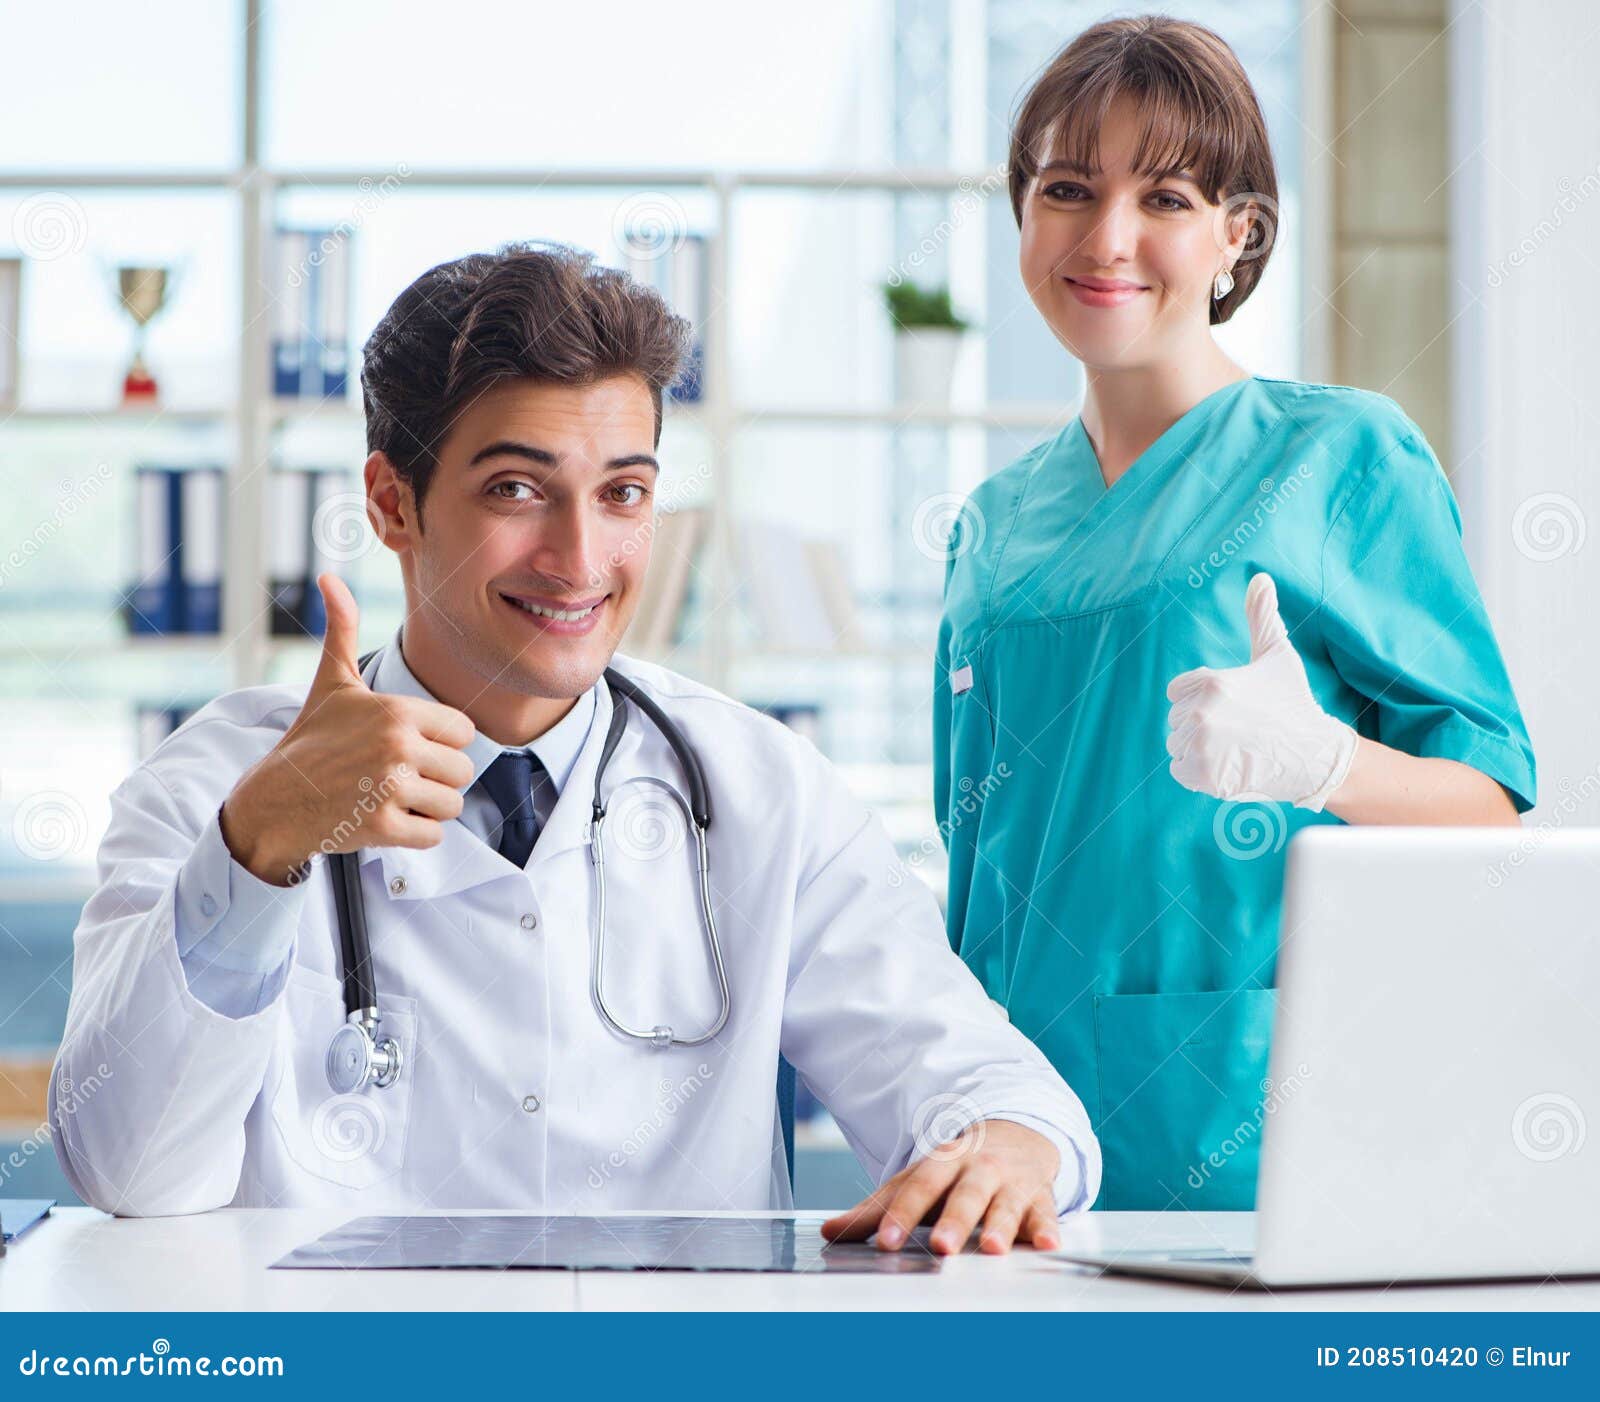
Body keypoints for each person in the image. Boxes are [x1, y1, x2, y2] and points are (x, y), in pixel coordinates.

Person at [52, 243, 1099, 1255]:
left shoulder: (761, 788)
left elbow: (978, 1081)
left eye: (622, 493)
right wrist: (255, 851)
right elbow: (128, 1170)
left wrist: (1007, 1143)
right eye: (516, 489)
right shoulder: (217, 783)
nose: (580, 558)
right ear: (391, 503)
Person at [932, 16, 1535, 1211]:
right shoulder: (991, 524)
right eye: (1066, 189)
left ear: (1237, 234)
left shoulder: (1339, 456)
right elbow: (974, 864)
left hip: (1246, 1129)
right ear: (1021, 215)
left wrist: (1326, 764)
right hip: (1013, 1154)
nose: (1106, 238)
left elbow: (1490, 807)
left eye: (1164, 197)